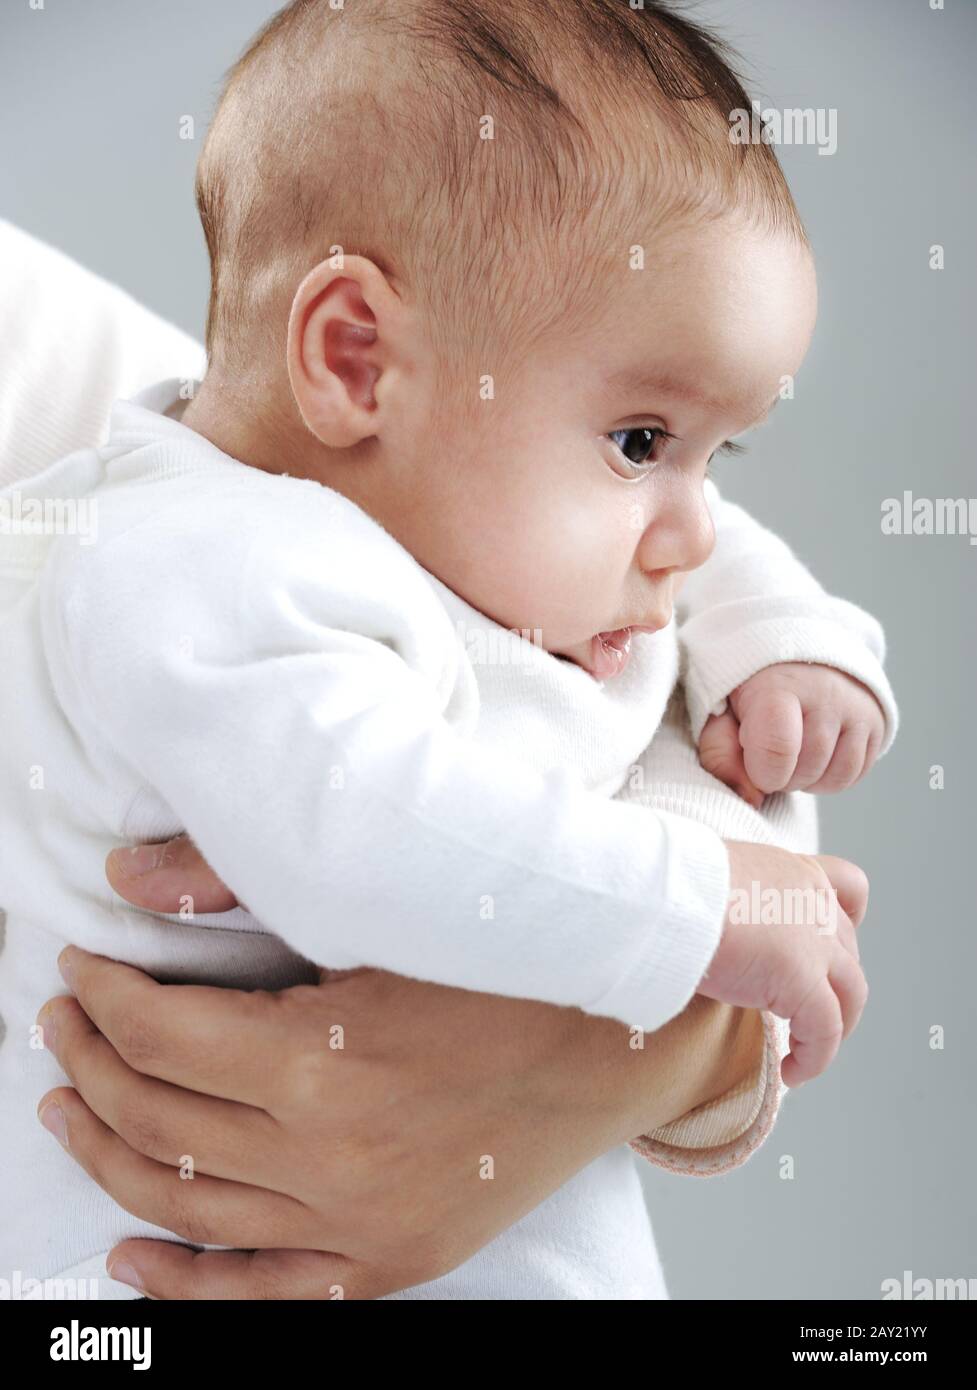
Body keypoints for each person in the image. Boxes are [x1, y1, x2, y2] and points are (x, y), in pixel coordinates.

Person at [1, 0, 895, 1299]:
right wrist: (704, 901)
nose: (691, 532)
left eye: (719, 448)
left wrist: (785, 640)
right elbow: (365, 836)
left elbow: (686, 562)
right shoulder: (191, 560)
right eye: (644, 442)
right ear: (357, 359)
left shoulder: (422, 522)